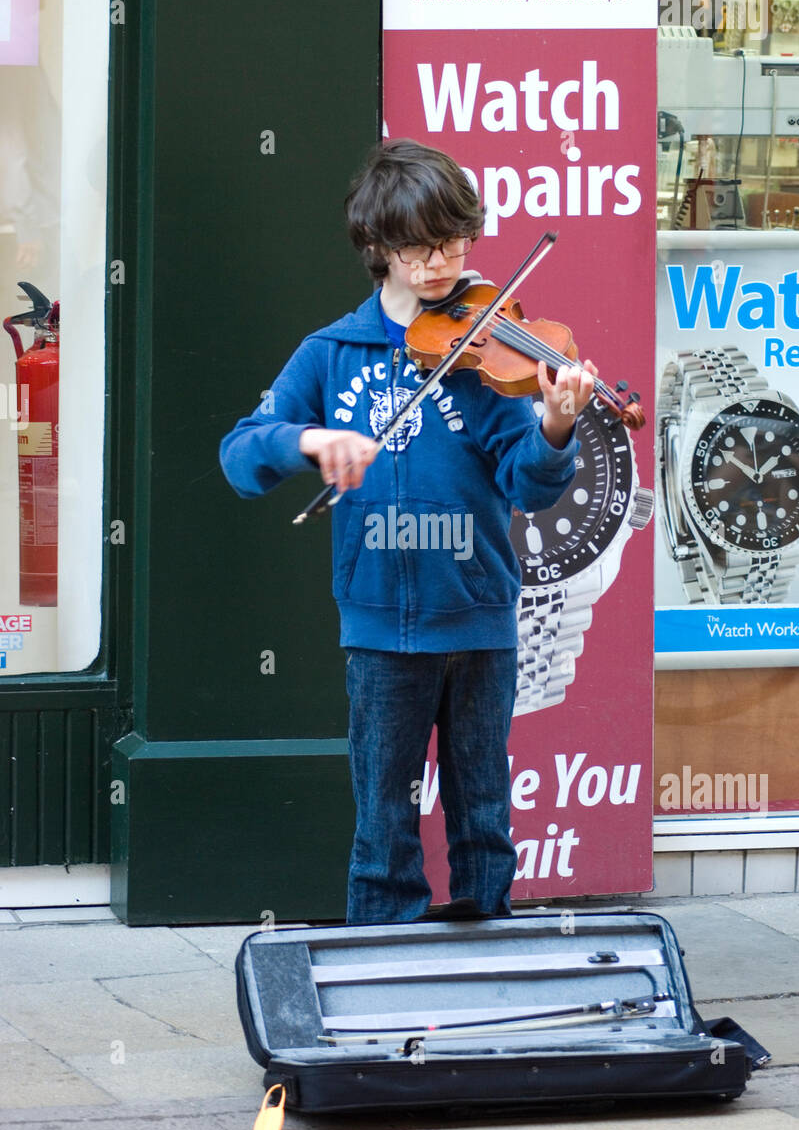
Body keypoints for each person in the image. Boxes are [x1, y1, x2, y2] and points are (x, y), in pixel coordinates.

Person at [219, 138, 596, 925]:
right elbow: (240, 454)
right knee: (384, 828)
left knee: (484, 819)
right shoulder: (331, 353)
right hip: (381, 628)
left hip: (481, 616)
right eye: (424, 248)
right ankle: (383, 982)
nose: (445, 263)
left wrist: (556, 426)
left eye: (458, 243)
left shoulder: (486, 345)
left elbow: (526, 480)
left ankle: (488, 969)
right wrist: (310, 442)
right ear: (378, 246)